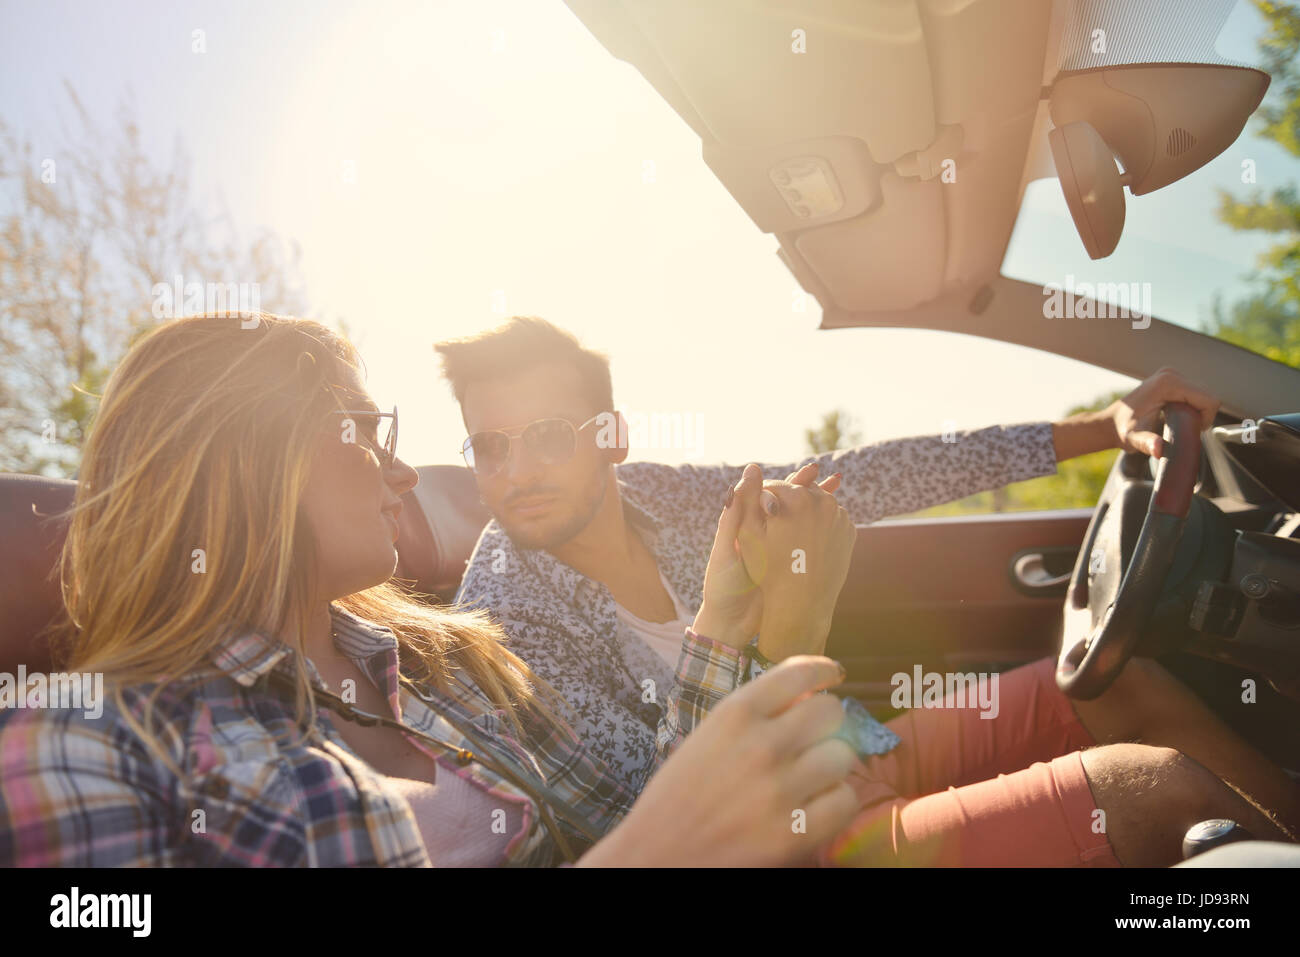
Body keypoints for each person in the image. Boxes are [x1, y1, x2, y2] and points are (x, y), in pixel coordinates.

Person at [0, 312, 862, 867]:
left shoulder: (453, 660)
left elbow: (662, 813)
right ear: (247, 458)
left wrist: (731, 614)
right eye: (370, 435)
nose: (406, 472)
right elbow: (662, 840)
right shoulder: (85, 746)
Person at [437, 315, 1300, 866]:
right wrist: (759, 628)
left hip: (846, 749)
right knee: (1156, 791)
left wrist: (1099, 427)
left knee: (1126, 684)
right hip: (787, 840)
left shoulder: (656, 491)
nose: (515, 473)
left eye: (546, 436)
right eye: (490, 446)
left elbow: (868, 475)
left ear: (610, 436)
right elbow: (674, 820)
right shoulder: (503, 615)